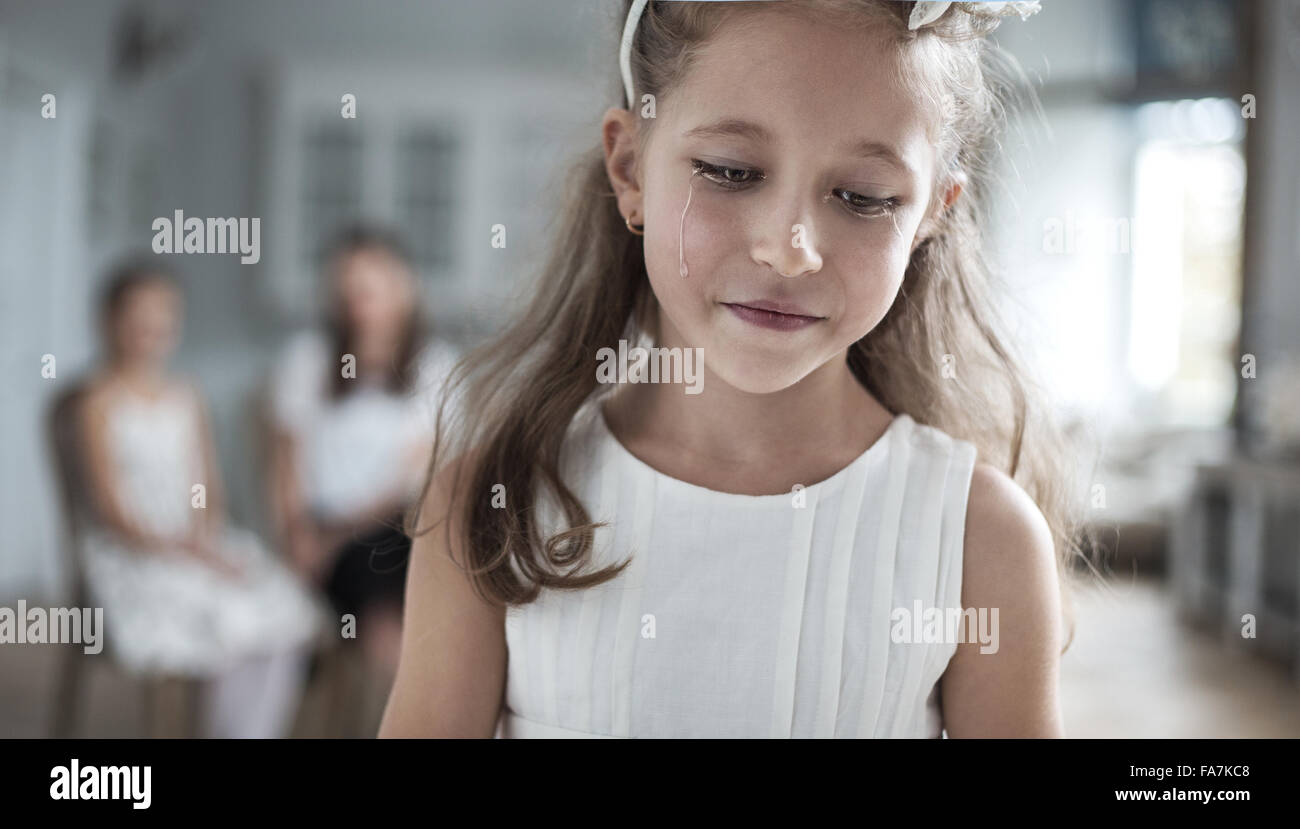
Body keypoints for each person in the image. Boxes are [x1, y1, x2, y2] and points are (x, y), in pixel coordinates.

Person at [381, 0, 1087, 739]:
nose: (789, 249)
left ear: (933, 213)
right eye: (730, 171)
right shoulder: (492, 506)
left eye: (864, 198)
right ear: (630, 170)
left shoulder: (984, 540)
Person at [78, 260, 326, 738]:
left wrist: (205, 542)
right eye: (139, 313)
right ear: (111, 319)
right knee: (224, 618)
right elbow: (112, 512)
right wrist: (182, 551)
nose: (152, 325)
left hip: (199, 542)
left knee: (282, 609)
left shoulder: (187, 395)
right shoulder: (96, 401)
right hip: (134, 554)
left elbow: (206, 487)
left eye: (163, 313)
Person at [266, 225, 459, 681]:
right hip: (327, 536)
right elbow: (284, 468)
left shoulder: (435, 366)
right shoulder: (307, 361)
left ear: (404, 291)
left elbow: (414, 476)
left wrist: (338, 537)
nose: (360, 303)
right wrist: (299, 542)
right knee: (383, 593)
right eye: (349, 290)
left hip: (399, 525)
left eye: (371, 290)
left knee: (429, 558)